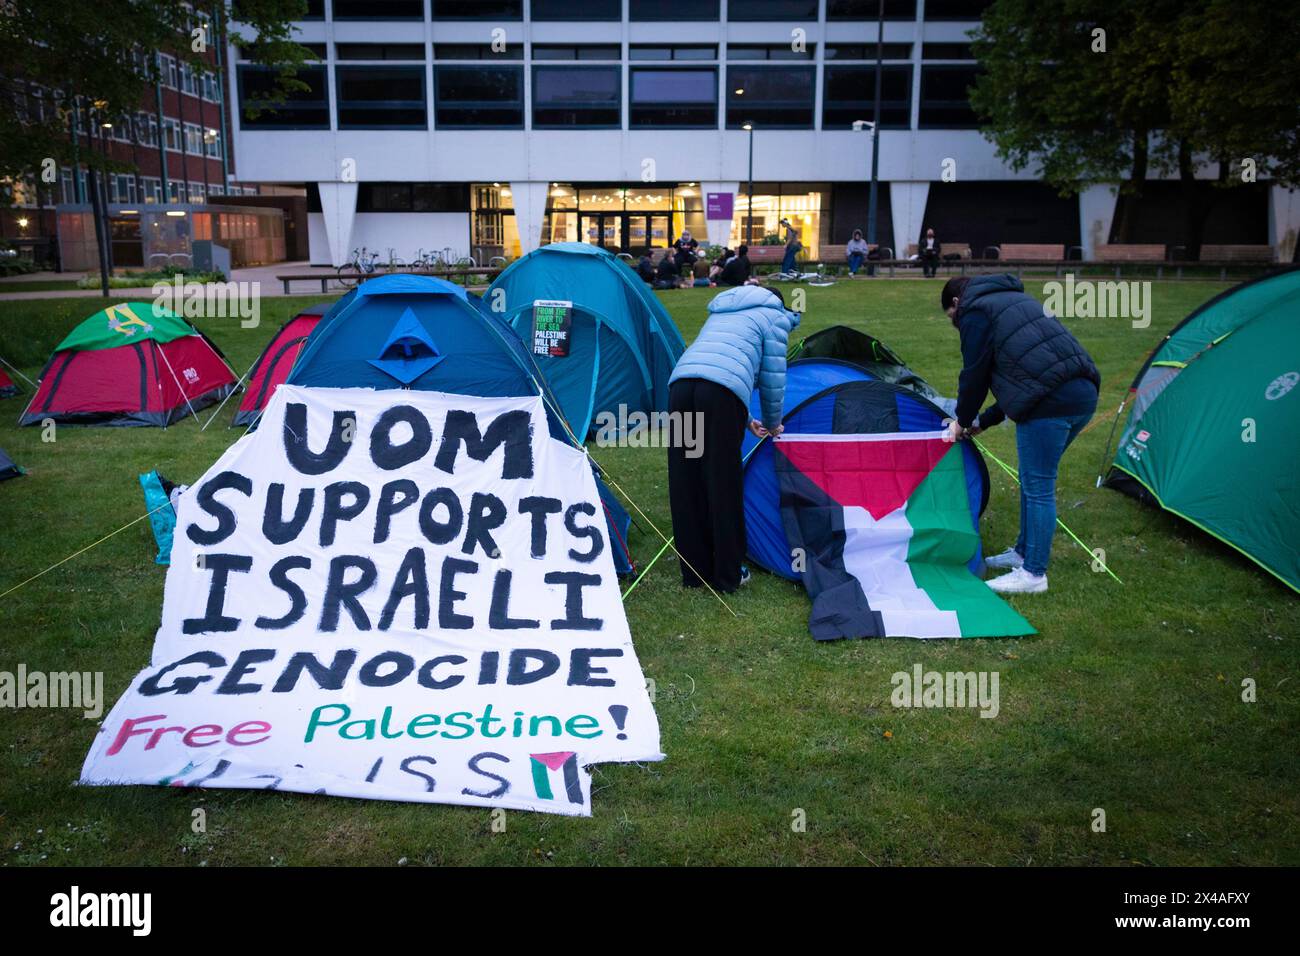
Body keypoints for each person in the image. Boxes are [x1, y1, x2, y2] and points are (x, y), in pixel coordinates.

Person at [940, 275, 1100, 594]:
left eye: (951, 318)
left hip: (1050, 405)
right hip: (1082, 395)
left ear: (956, 303)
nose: (955, 324)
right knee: (1031, 479)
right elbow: (1030, 379)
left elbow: (974, 375)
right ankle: (1023, 551)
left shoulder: (974, 311)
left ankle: (1033, 574)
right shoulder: (1015, 301)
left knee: (1038, 485)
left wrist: (961, 420)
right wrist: (983, 421)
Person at [667, 285, 800, 592]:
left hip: (681, 389)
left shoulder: (723, 309)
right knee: (722, 482)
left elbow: (712, 367)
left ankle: (694, 573)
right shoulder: (774, 316)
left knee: (687, 482)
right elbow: (772, 377)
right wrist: (772, 423)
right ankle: (728, 574)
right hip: (720, 395)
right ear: (780, 304)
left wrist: (743, 420)